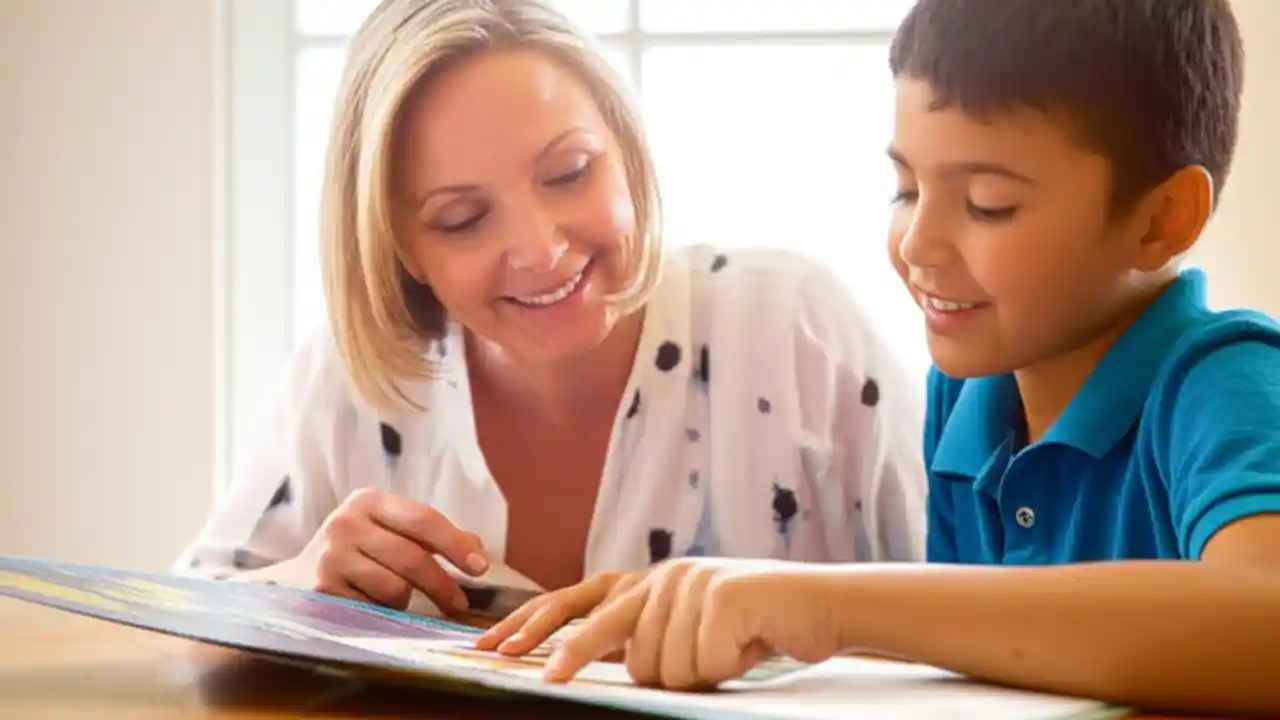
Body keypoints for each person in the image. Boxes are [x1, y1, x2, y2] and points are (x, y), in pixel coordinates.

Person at [479, 0, 1280, 715]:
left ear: (1161, 219)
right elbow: (994, 669)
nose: (918, 245)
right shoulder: (970, 399)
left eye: (987, 205)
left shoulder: (1221, 378)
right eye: (904, 189)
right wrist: (710, 610)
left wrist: (830, 604)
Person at [173, 0, 926, 619]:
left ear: (626, 153)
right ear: (403, 248)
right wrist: (300, 584)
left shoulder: (791, 330)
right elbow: (179, 620)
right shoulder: (353, 387)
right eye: (462, 219)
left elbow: (972, 604)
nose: (539, 250)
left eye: (569, 172)